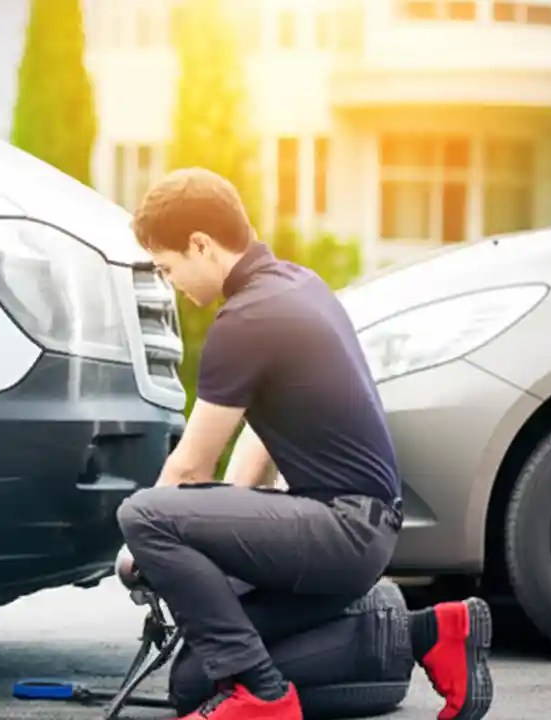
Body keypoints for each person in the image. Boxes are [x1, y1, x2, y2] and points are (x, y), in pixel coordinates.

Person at [116, 168, 493, 720]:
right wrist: (221, 531)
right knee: (194, 679)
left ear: (200, 244)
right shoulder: (295, 285)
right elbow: (257, 435)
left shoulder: (245, 318)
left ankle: (260, 695)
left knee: (143, 514)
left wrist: (138, 547)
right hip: (361, 532)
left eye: (169, 267)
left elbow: (189, 470)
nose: (171, 282)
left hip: (339, 530)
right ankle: (430, 633)